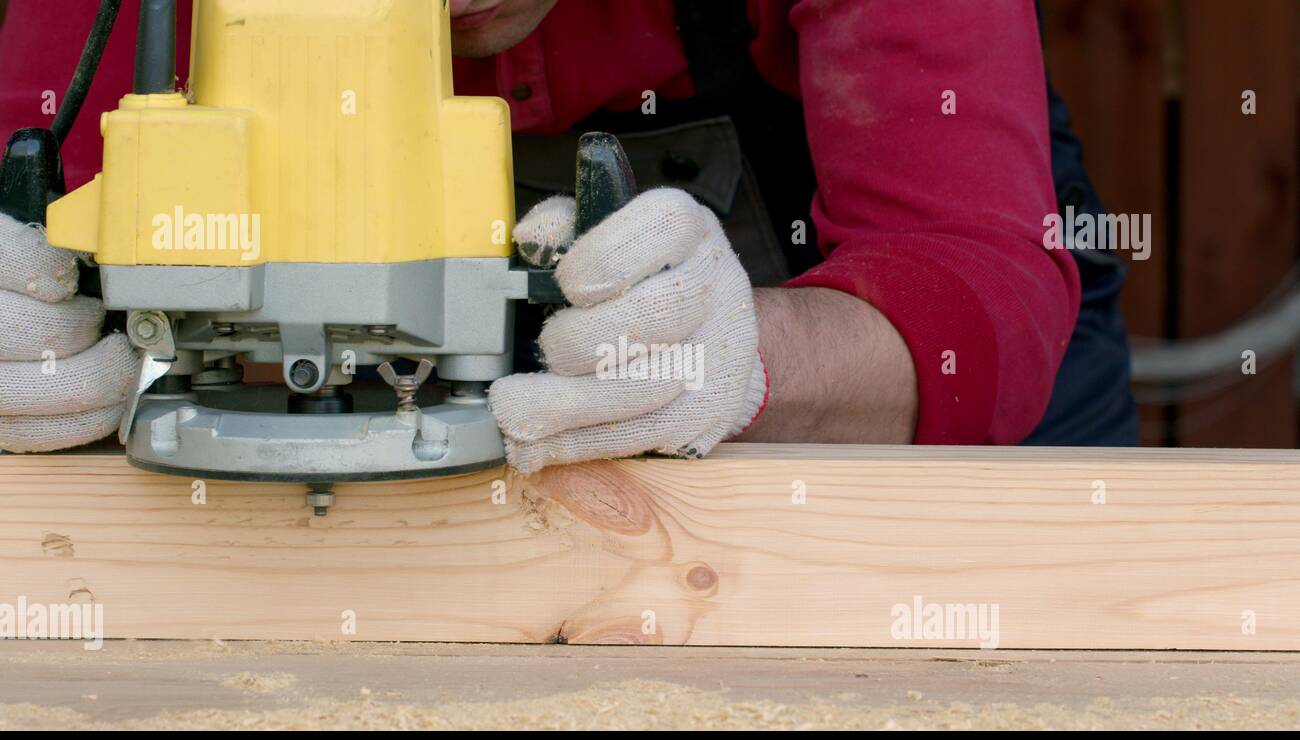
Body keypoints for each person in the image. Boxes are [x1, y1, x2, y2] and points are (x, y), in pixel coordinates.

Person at [0, 0, 1138, 468]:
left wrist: (741, 354)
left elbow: (968, 281)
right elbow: (31, 218)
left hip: (839, 287)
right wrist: (42, 326)